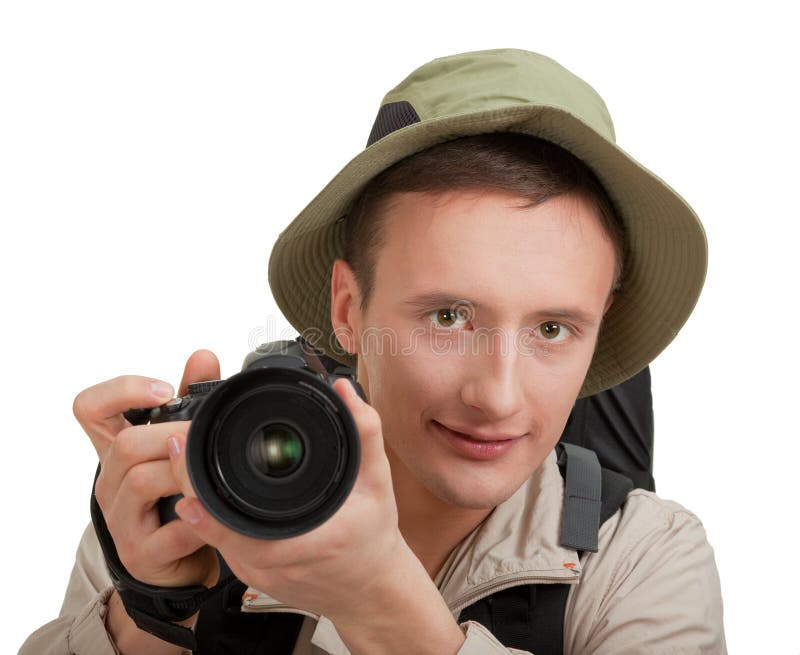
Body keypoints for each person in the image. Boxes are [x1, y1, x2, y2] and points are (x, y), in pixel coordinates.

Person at [21, 48, 726, 654]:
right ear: (348, 310)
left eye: (551, 329)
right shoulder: (206, 488)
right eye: (449, 316)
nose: (499, 395)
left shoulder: (648, 557)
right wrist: (154, 613)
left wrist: (377, 595)